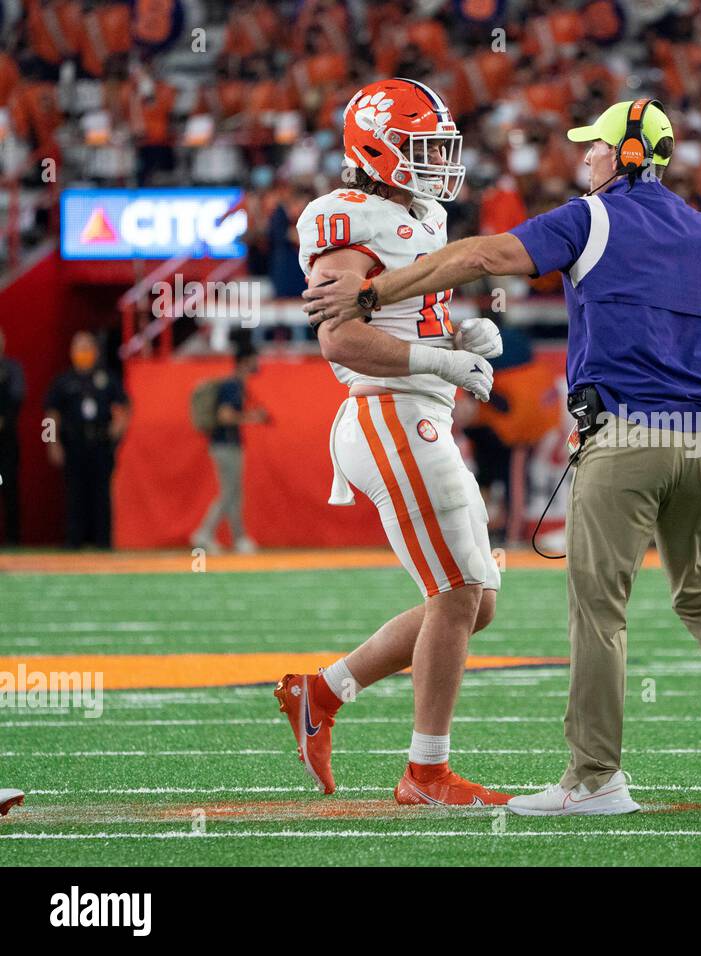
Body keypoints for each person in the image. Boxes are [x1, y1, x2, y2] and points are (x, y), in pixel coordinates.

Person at [305, 97, 701, 816]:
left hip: (626, 439)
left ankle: (594, 779)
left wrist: (375, 291)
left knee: (598, 611)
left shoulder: (595, 218)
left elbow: (485, 254)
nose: (585, 158)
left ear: (621, 155)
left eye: (594, 148)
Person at [273, 78, 510, 808]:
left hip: (417, 409)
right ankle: (426, 774)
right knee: (456, 591)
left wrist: (456, 332)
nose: (437, 161)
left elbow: (407, 313)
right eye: (421, 147)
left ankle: (324, 690)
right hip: (387, 409)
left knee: (479, 602)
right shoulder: (342, 215)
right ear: (375, 147)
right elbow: (342, 337)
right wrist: (442, 359)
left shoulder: (420, 214)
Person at [43, 332, 130, 549]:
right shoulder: (63, 382)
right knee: (75, 494)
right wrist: (52, 443)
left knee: (102, 494)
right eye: (79, 348)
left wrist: (117, 430)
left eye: (87, 348)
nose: (83, 353)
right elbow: (51, 416)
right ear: (72, 352)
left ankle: (103, 542)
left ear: (96, 351)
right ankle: (73, 541)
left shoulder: (107, 379)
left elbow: (122, 407)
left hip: (100, 442)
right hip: (74, 443)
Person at [191, 339, 268, 554]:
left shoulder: (234, 384)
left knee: (233, 493)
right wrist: (252, 418)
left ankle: (238, 538)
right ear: (245, 361)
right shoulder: (233, 385)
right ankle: (204, 533)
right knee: (229, 492)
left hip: (225, 444)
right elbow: (225, 416)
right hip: (226, 444)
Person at [0, 328, 24, 545]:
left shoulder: (12, 369)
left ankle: (12, 539)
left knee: (8, 486)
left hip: (5, 438)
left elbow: (17, 398)